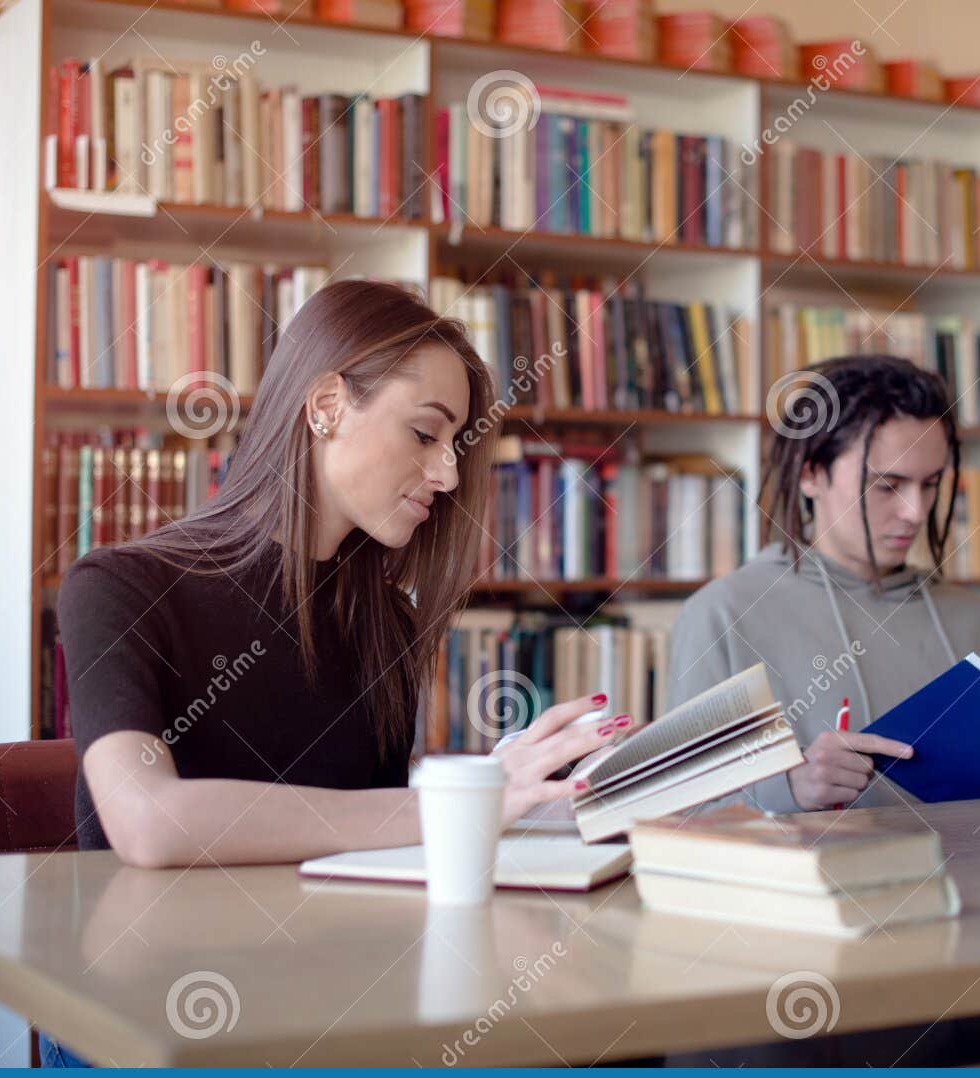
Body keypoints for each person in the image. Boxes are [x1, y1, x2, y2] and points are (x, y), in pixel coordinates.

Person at [57, 279, 631, 873]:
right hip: (149, 960)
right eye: (424, 433)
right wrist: (468, 799)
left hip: (340, 957)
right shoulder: (118, 589)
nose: (449, 476)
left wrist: (527, 796)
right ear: (326, 406)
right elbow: (149, 823)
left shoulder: (385, 625)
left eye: (455, 444)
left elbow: (374, 851)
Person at [668, 354, 980, 813]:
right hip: (808, 914)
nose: (915, 511)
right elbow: (676, 816)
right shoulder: (722, 616)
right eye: (887, 484)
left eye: (932, 483)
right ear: (811, 475)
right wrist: (791, 789)